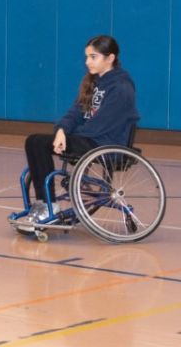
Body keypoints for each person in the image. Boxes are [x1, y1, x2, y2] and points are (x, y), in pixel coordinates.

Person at [17, 34, 139, 227]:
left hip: (102, 142)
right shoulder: (93, 82)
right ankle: (44, 203)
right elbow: (75, 112)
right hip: (87, 138)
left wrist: (70, 137)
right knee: (32, 141)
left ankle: (49, 206)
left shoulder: (121, 87)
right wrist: (61, 132)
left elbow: (102, 125)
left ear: (110, 58)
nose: (87, 62)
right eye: (86, 57)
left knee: (39, 143)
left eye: (93, 57)